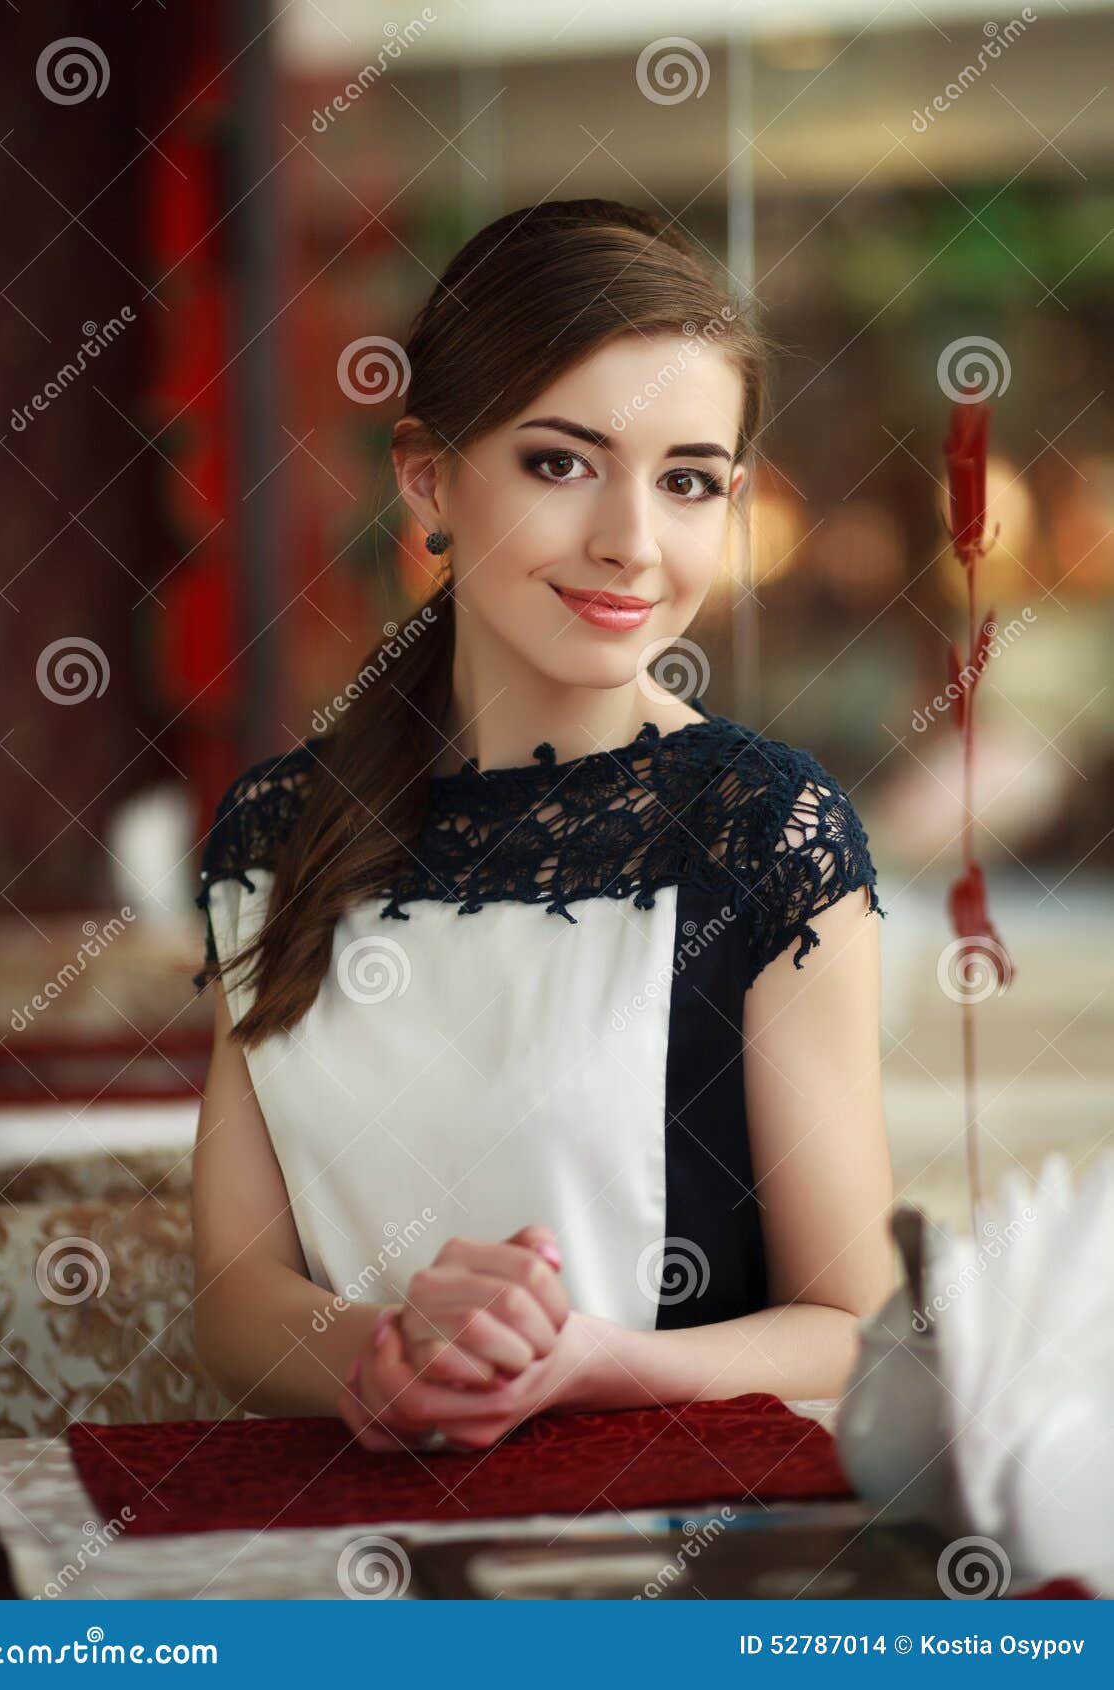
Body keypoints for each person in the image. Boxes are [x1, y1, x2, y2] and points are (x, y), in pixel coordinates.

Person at [189, 199, 896, 1455]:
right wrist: (392, 1353)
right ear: (426, 477)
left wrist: (590, 1364)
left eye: (687, 482)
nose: (629, 543)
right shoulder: (276, 833)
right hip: (346, 1551)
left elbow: (853, 1321)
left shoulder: (764, 831)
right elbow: (237, 1303)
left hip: (678, 1556)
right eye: (561, 462)